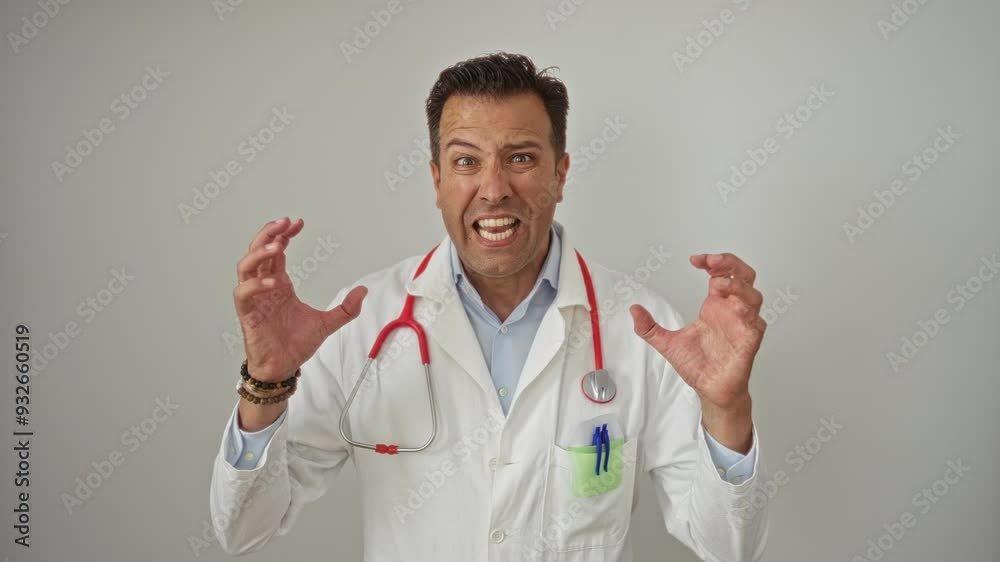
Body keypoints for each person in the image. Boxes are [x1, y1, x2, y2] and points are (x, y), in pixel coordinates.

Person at [210, 52, 770, 561]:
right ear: (435, 179)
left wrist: (728, 408)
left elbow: (728, 547)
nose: (494, 188)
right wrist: (267, 383)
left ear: (561, 173)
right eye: (465, 162)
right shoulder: (363, 321)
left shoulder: (645, 328)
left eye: (520, 158)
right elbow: (243, 531)